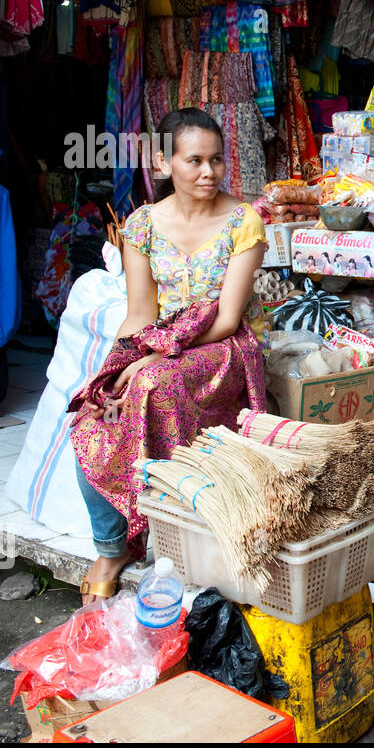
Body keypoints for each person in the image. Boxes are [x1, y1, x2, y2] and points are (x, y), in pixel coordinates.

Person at [67, 108, 267, 603]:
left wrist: (149, 361)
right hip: (158, 348)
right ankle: (114, 545)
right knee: (92, 413)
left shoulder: (244, 221)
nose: (209, 173)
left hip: (222, 350)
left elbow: (224, 318)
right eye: (194, 160)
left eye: (217, 160)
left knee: (155, 384)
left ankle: (179, 538)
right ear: (163, 161)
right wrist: (113, 371)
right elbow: (140, 313)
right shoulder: (141, 225)